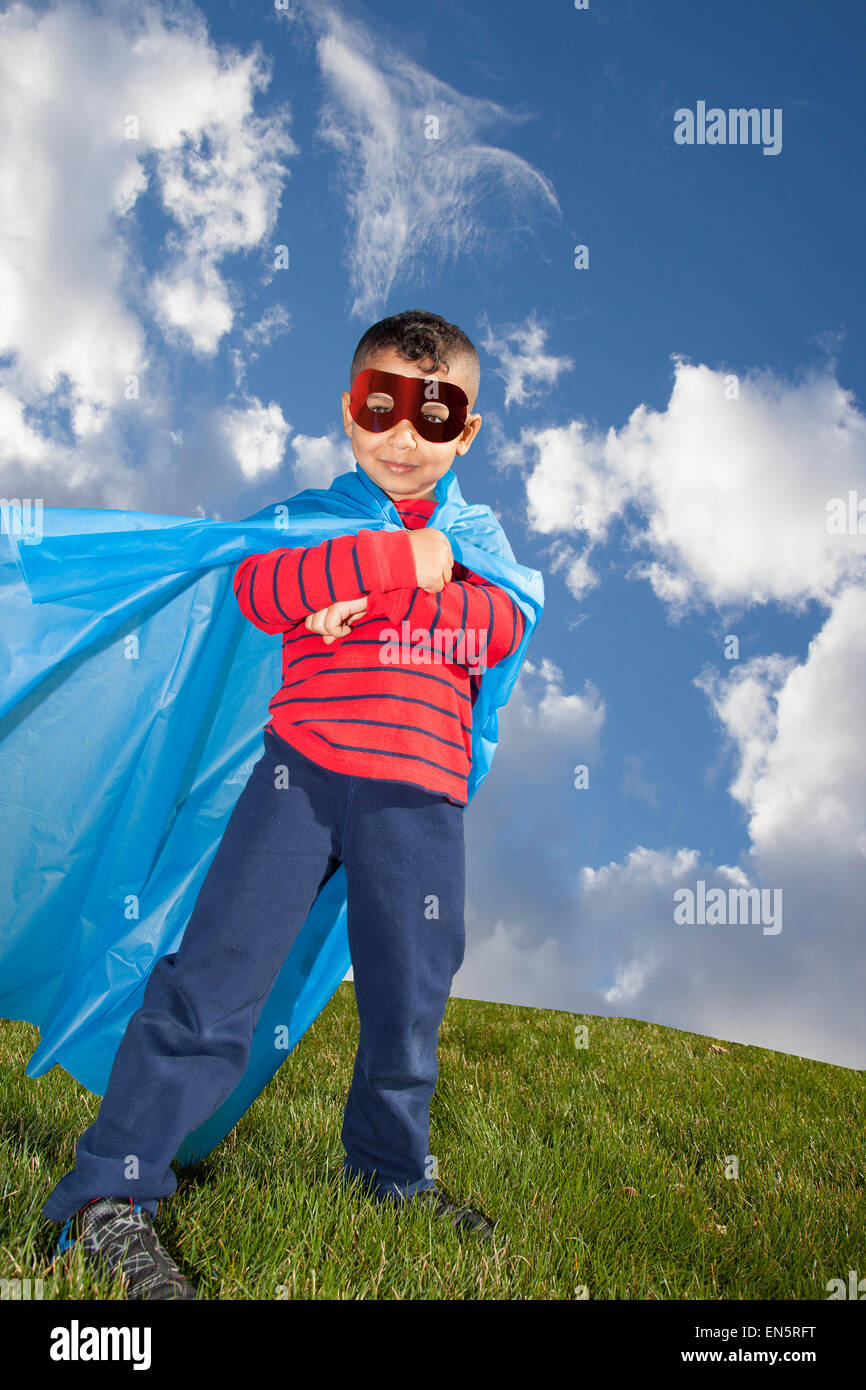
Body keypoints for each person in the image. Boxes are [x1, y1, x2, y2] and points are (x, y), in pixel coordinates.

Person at [42, 309, 530, 1299]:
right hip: (297, 782)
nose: (403, 436)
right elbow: (263, 589)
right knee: (215, 975)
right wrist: (391, 561)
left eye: (431, 416)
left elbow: (497, 622)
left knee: (408, 1002)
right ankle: (109, 1195)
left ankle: (390, 1175)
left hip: (419, 802)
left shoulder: (479, 542)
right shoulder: (315, 515)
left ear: (466, 431)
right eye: (380, 407)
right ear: (350, 411)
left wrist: (389, 586)